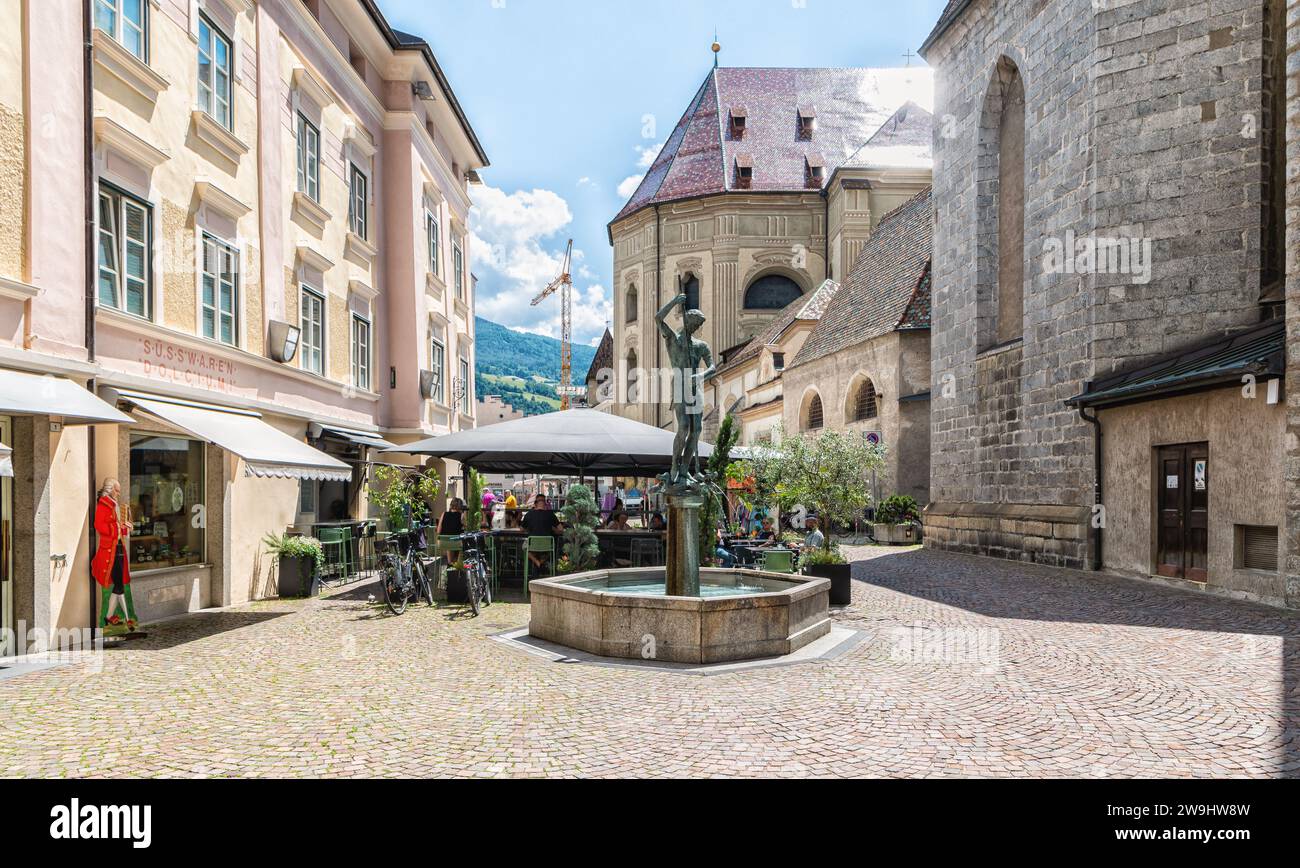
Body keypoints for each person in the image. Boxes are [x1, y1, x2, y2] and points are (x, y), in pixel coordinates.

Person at [92, 478, 137, 631]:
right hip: (109, 551)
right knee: (118, 585)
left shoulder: (115, 505)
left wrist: (127, 528)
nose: (118, 493)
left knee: (119, 585)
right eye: (116, 490)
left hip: (118, 548)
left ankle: (111, 617)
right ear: (110, 489)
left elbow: (119, 530)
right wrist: (119, 526)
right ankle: (124, 618)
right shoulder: (104, 505)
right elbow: (100, 526)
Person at [521, 493, 561, 571]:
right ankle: (541, 561)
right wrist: (552, 528)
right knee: (551, 550)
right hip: (547, 546)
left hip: (532, 545)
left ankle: (536, 561)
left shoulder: (529, 514)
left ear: (535, 503)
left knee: (524, 548)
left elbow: (521, 529)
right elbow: (561, 529)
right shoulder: (550, 514)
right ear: (545, 503)